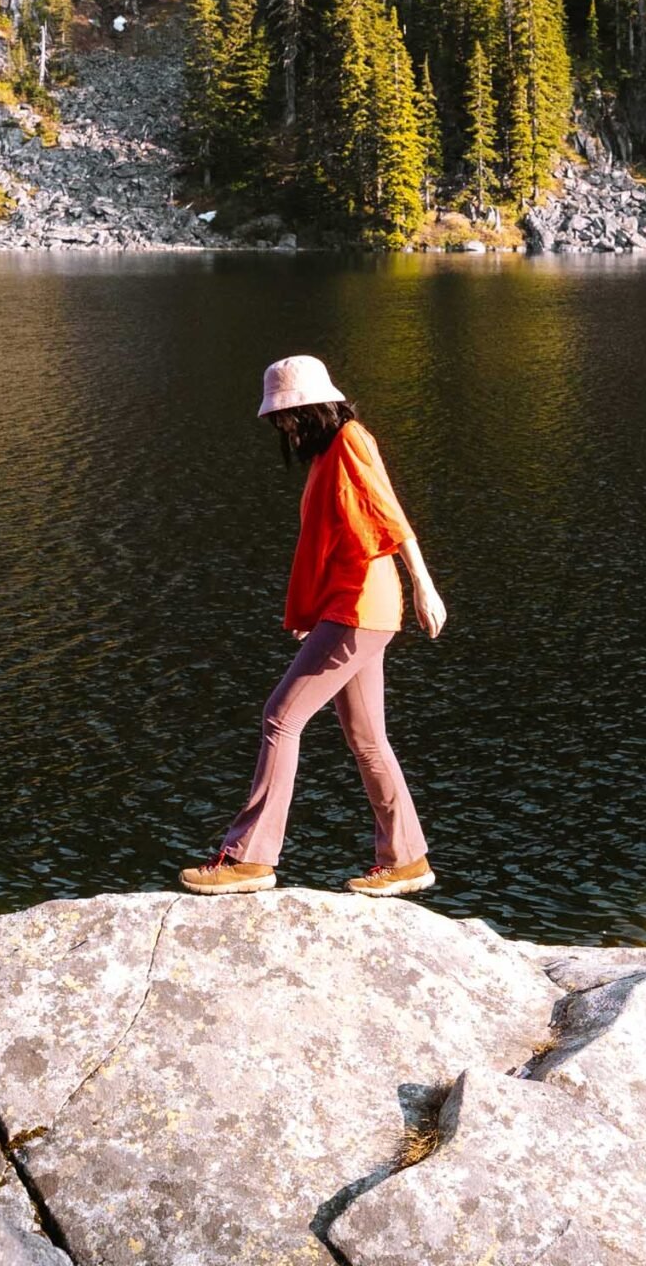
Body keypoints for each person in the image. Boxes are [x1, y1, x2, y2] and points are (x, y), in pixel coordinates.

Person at [181, 354, 446, 899]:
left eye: (287, 414)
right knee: (368, 738)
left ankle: (250, 857)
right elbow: (336, 541)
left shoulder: (350, 440)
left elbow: (389, 515)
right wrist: (315, 610)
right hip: (349, 608)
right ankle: (406, 859)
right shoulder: (331, 452)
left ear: (311, 407)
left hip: (359, 609)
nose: (282, 425)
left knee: (280, 717)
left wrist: (425, 584)